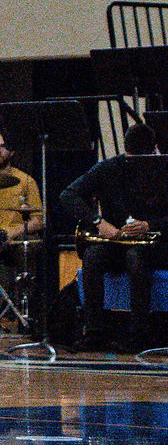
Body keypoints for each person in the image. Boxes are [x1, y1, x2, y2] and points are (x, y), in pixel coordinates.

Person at [60, 124, 168, 352]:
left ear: (154, 152)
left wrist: (150, 224)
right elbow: (68, 194)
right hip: (116, 240)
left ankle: (139, 333)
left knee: (135, 258)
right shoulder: (109, 168)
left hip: (155, 243)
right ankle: (94, 332)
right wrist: (99, 222)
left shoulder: (163, 169)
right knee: (92, 256)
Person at [0, 131, 44, 238]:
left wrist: (13, 233)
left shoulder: (26, 181)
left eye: (3, 146)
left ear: (11, 152)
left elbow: (38, 221)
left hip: (18, 239)